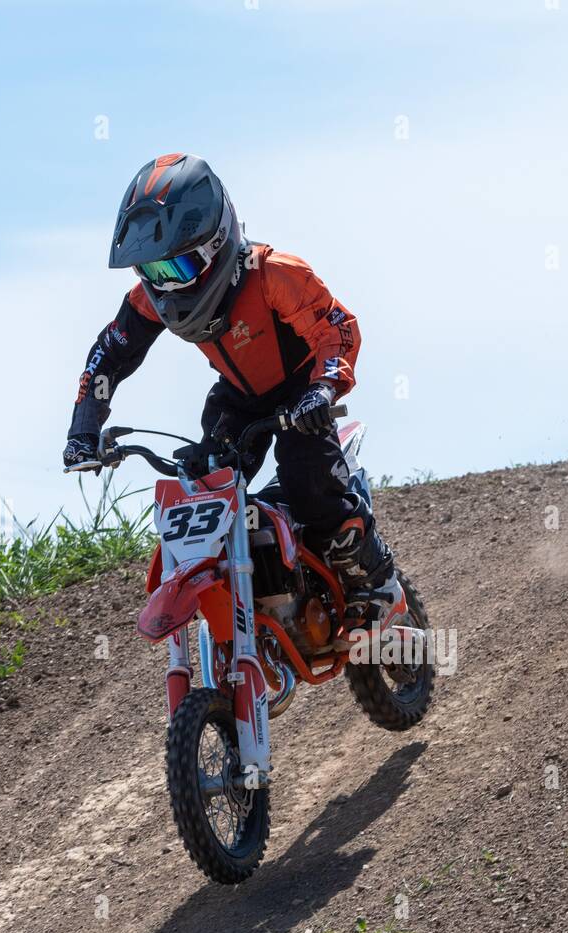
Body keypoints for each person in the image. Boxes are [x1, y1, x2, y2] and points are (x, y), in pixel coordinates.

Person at [63, 152, 404, 627]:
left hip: (303, 390)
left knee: (312, 487)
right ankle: (262, 592)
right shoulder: (148, 300)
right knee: (204, 482)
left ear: (215, 245)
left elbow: (337, 328)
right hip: (240, 398)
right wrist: (84, 428)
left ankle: (378, 581)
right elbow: (110, 355)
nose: (164, 286)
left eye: (175, 269)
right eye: (152, 272)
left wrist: (325, 388)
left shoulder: (273, 272)